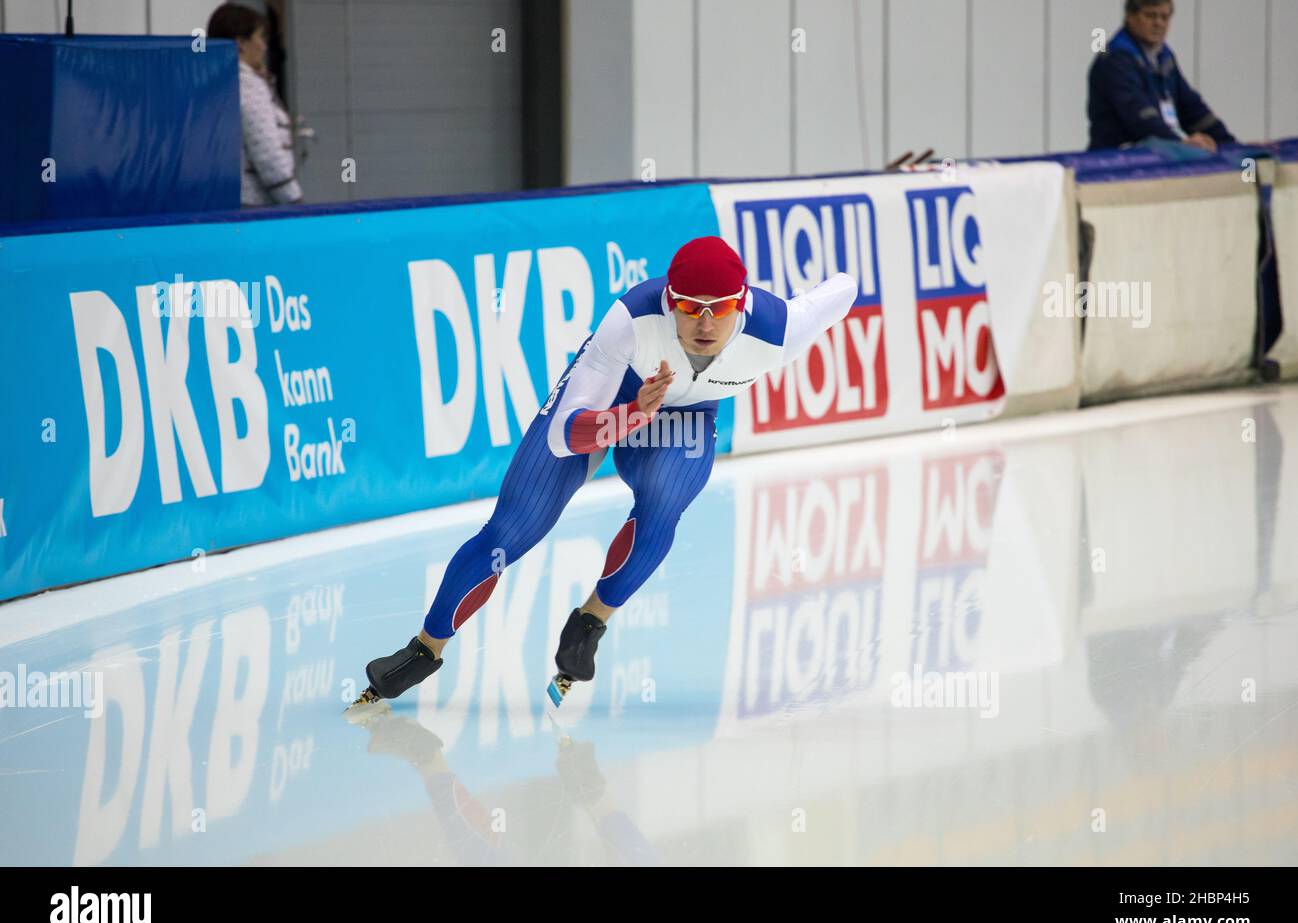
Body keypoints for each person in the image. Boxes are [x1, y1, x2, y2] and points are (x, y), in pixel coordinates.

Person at [358, 237, 856, 702]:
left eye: (721, 310)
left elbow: (844, 288)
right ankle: (425, 650)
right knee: (512, 528)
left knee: (664, 504)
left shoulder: (780, 329)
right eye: (689, 309)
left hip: (686, 414)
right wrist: (629, 415)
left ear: (742, 304)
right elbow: (563, 435)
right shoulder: (629, 321)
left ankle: (590, 623)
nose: (705, 325)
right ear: (669, 303)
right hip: (612, 402)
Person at [1087, 0, 1235, 154]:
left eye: (1164, 17)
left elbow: (1191, 107)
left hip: (1158, 153)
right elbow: (1140, 116)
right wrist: (1180, 144)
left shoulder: (1164, 56)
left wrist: (1229, 144)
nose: (1158, 23)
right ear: (1130, 16)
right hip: (1116, 161)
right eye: (1150, 16)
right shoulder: (1116, 58)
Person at [206, 3, 303, 206]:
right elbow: (268, 155)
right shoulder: (247, 86)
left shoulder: (217, 81)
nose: (264, 46)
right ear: (241, 43)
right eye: (260, 37)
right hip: (255, 206)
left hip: (227, 199)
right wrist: (296, 202)